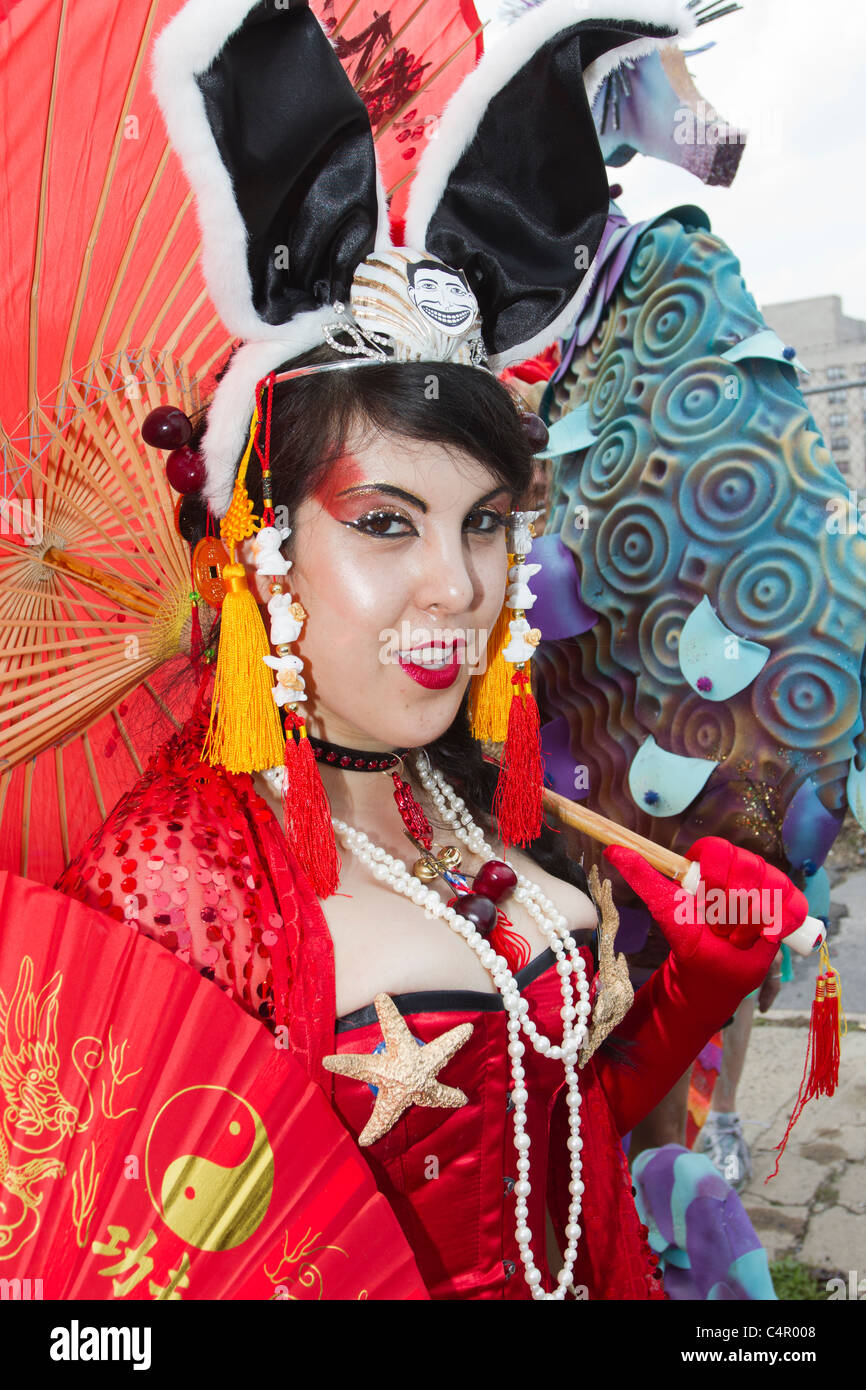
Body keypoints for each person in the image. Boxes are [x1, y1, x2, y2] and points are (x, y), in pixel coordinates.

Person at [53, 0, 813, 1300]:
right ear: (256, 547)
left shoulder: (451, 807)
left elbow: (559, 1124)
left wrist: (698, 977)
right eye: (386, 522)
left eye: (484, 523)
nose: (456, 585)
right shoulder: (165, 891)